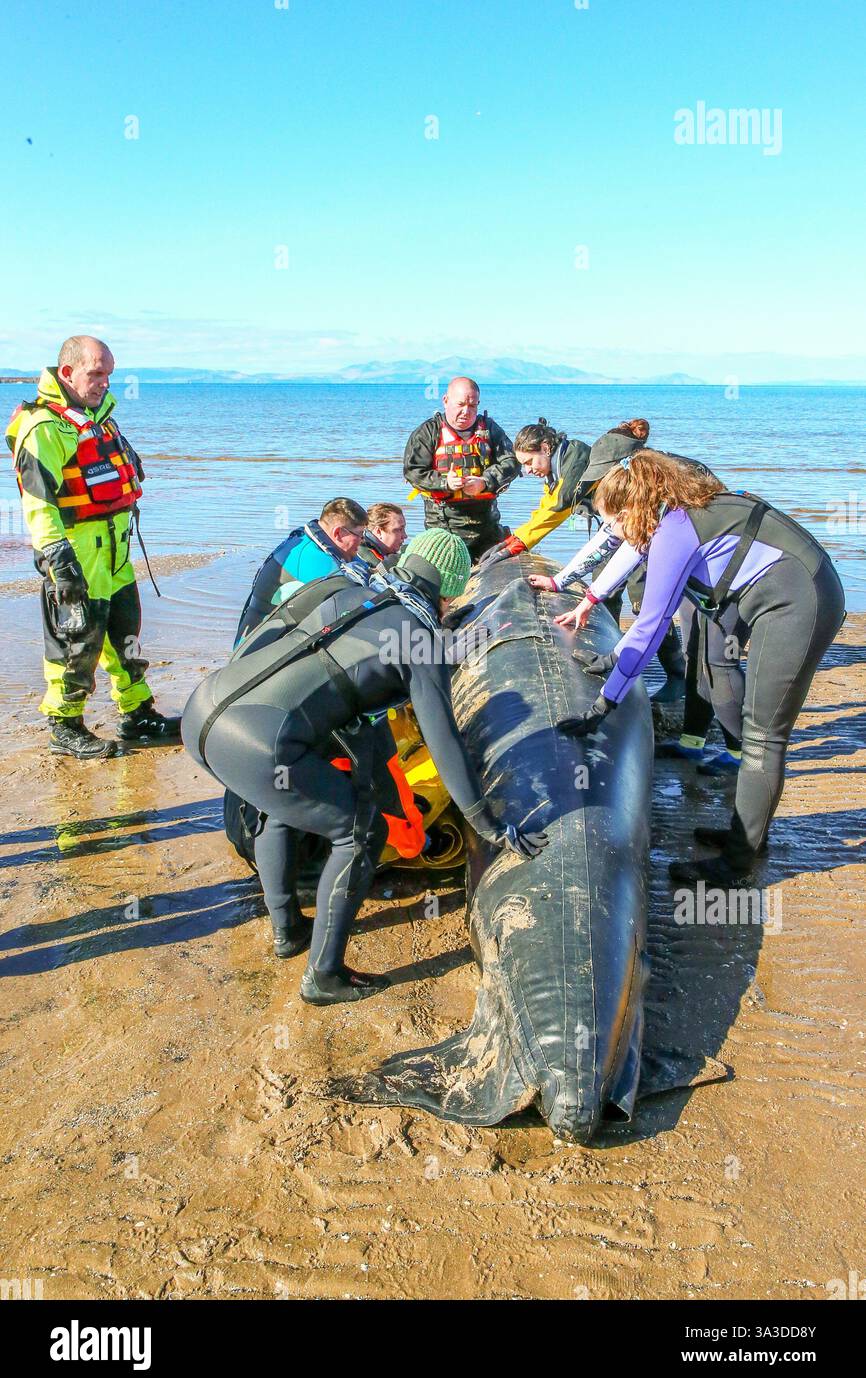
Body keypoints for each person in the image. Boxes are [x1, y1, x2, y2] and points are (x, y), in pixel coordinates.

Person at [182, 528, 547, 1004]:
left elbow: (269, 635)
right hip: (261, 743)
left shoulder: (345, 586)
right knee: (360, 832)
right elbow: (445, 744)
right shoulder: (419, 640)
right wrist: (488, 823)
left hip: (204, 712)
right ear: (451, 590)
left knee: (281, 806)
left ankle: (288, 930)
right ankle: (324, 976)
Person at [554, 450, 845, 887]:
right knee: (749, 718)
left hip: (800, 599)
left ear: (635, 506)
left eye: (613, 521)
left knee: (764, 735)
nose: (612, 532)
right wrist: (612, 659)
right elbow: (643, 611)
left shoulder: (674, 532)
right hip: (784, 587)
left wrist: (602, 705)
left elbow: (650, 627)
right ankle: (746, 836)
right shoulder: (674, 514)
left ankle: (736, 866)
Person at [5, 335, 180, 758]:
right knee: (76, 642)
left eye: (109, 374)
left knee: (126, 635)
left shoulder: (98, 417)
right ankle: (64, 726)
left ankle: (138, 714)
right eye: (95, 373)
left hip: (116, 551)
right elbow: (38, 503)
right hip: (77, 556)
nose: (104, 382)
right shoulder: (44, 426)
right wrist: (59, 562)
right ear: (67, 372)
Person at [485, 417, 689, 704]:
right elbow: (549, 508)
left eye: (529, 462)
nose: (527, 470)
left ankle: (676, 674)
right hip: (619, 528)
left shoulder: (574, 464)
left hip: (641, 528)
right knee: (606, 594)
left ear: (545, 447)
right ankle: (615, 653)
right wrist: (515, 544)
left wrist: (514, 545)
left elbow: (553, 514)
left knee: (645, 601)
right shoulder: (561, 463)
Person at [403, 377, 520, 561]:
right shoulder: (428, 432)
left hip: (487, 526)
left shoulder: (489, 429)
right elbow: (412, 471)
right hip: (443, 526)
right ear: (445, 401)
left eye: (473, 406)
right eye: (461, 404)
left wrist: (485, 482)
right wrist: (445, 482)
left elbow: (512, 461)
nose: (466, 411)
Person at [235, 497, 370, 644]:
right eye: (360, 534)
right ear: (338, 533)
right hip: (261, 648)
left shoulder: (311, 539)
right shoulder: (315, 560)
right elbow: (353, 600)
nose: (363, 540)